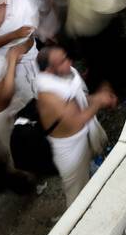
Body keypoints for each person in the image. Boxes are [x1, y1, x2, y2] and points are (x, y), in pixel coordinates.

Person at [35, 44, 115, 204]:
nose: (69, 62)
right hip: (70, 149)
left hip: (83, 135)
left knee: (88, 164)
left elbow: (80, 100)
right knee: (77, 194)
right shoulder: (50, 97)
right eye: (63, 61)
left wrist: (99, 97)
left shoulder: (66, 74)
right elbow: (76, 121)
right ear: (50, 70)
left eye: (66, 57)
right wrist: (99, 101)